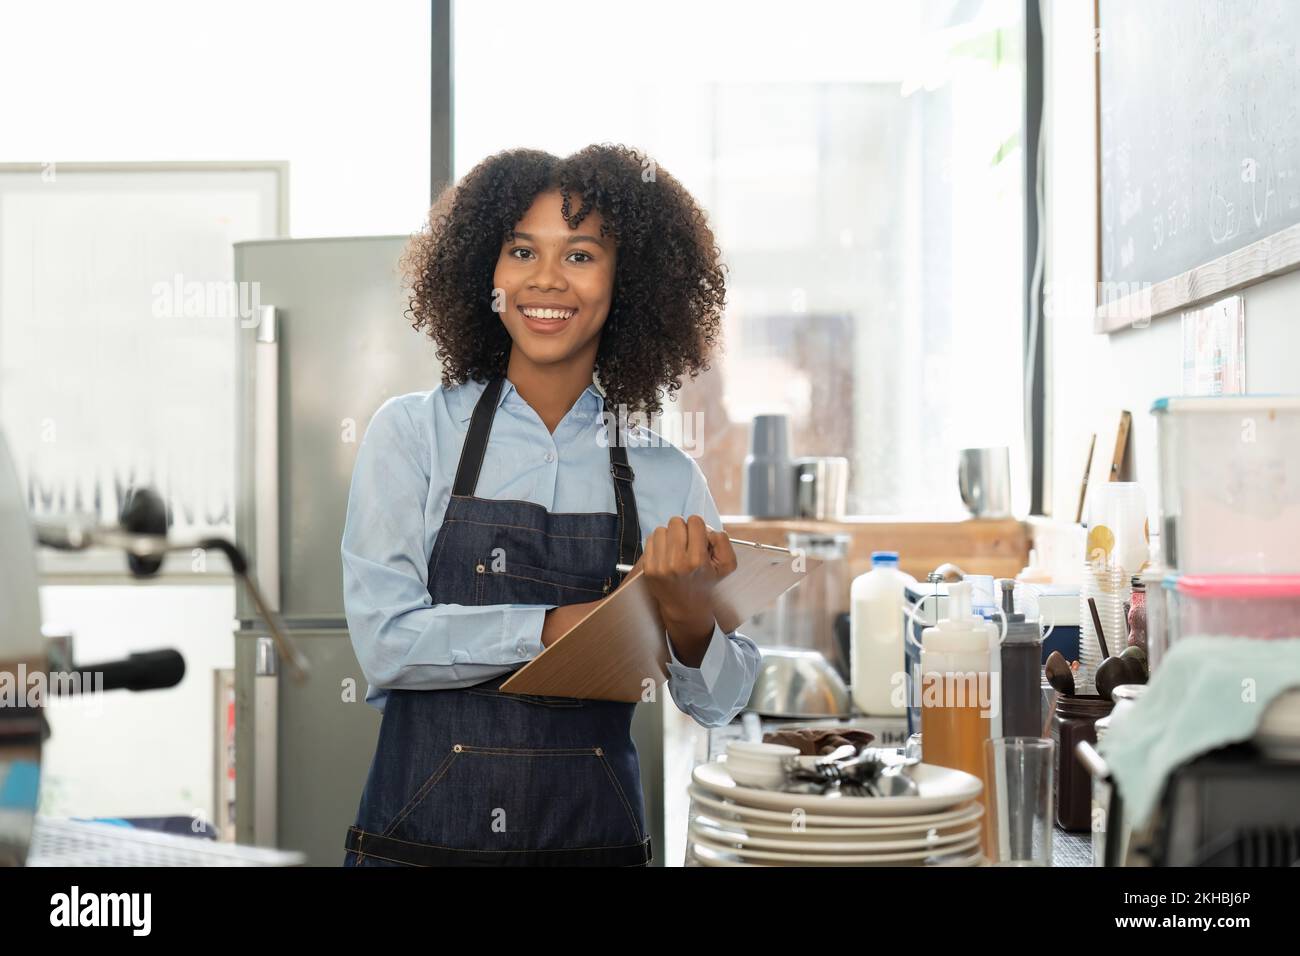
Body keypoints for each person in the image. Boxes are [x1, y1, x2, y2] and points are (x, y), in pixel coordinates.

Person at [340, 145, 760, 867]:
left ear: (626, 281)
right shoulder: (412, 435)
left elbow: (720, 701)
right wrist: (556, 628)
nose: (544, 279)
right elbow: (385, 643)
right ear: (487, 272)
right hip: (418, 851)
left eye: (580, 255)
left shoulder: (665, 475)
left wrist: (693, 627)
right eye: (521, 249)